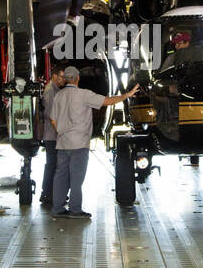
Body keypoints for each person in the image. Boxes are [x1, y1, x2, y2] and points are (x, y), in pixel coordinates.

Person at [49, 67, 140, 220]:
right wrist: (126, 95)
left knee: (60, 176)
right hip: (79, 143)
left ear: (66, 78)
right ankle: (75, 210)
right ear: (77, 78)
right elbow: (106, 101)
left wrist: (61, 131)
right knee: (77, 178)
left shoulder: (59, 96)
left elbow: (52, 119)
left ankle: (57, 209)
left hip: (62, 143)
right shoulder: (84, 94)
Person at [39, 63, 67, 206]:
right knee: (52, 164)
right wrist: (61, 131)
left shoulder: (56, 90)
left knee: (54, 164)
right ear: (55, 76)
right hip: (52, 135)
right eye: (62, 77)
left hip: (54, 134)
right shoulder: (51, 91)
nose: (64, 80)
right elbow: (51, 115)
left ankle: (51, 193)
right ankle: (47, 194)